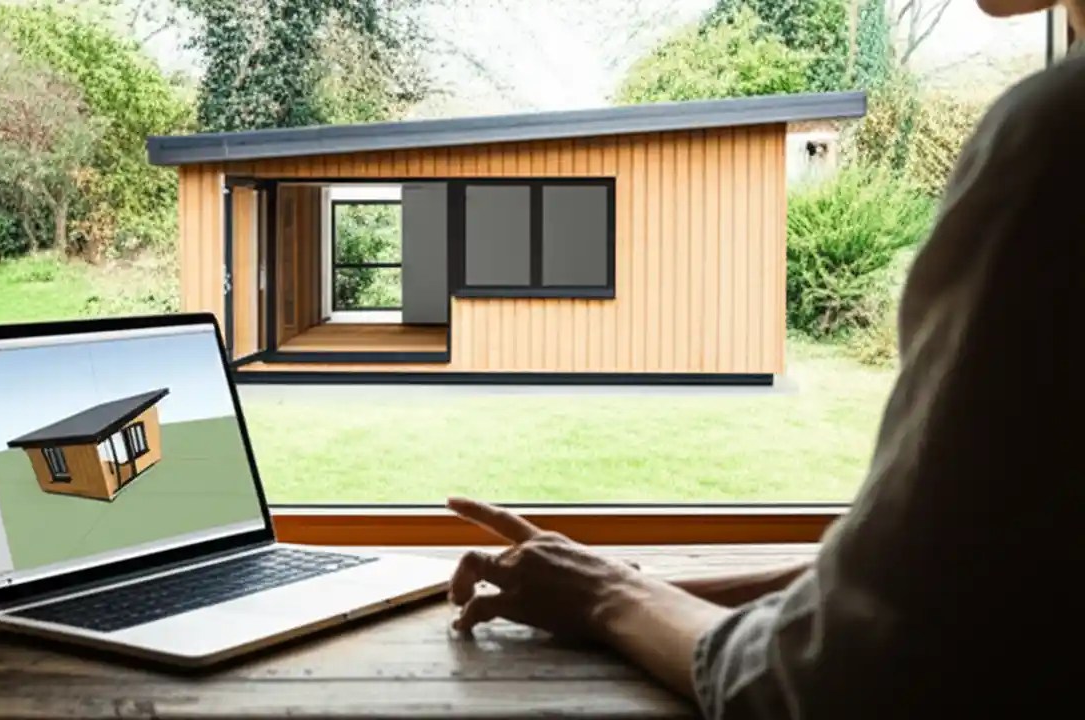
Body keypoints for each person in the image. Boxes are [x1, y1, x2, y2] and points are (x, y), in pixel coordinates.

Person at [445, 1, 1082, 716]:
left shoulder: (1059, 135)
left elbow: (847, 680)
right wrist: (635, 585)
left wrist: (608, 594)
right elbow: (962, 579)